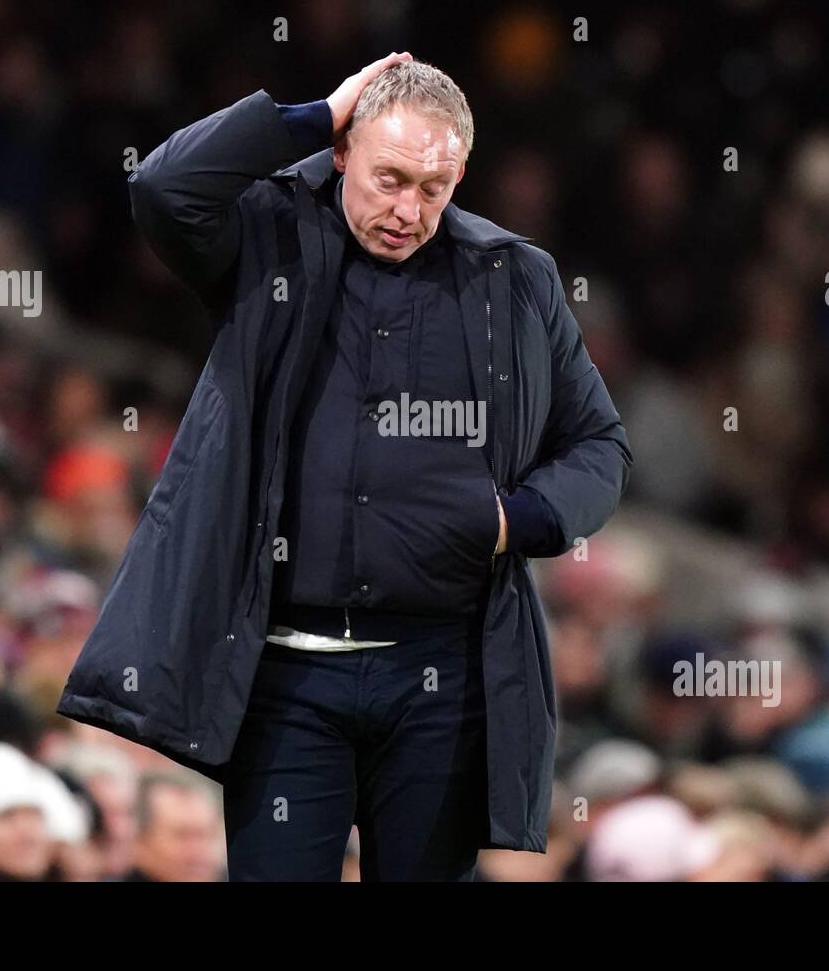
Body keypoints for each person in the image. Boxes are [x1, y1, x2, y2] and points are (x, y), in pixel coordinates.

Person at [58, 53, 632, 881]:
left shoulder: (516, 277)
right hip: (285, 676)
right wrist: (312, 112)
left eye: (432, 188)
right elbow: (163, 187)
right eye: (388, 178)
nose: (408, 210)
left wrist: (522, 520)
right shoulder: (268, 231)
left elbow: (600, 445)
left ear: (460, 175)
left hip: (442, 679)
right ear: (340, 154)